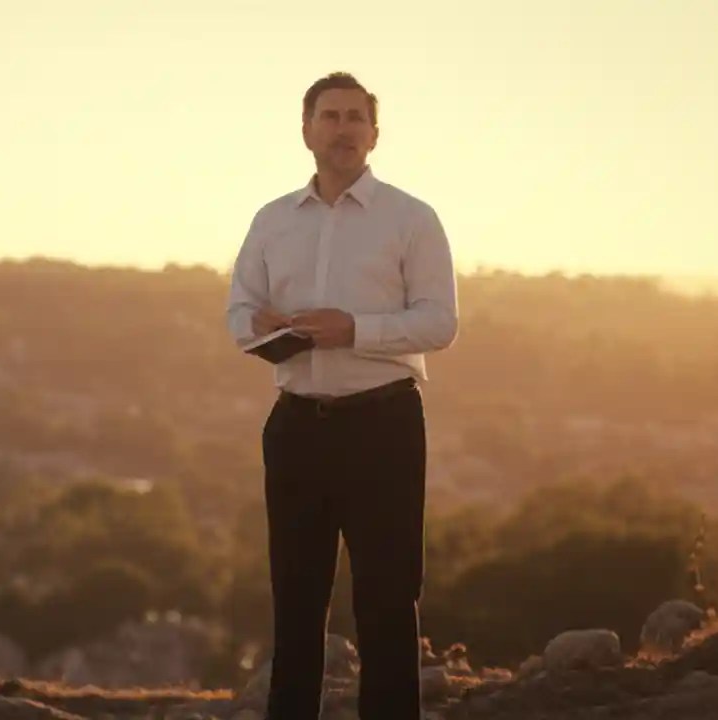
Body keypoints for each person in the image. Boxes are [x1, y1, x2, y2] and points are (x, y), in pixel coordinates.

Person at [225, 71, 459, 720]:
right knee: (295, 603)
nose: (343, 128)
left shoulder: (412, 219)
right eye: (330, 116)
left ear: (375, 134)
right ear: (306, 131)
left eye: (356, 117)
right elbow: (238, 312)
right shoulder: (272, 222)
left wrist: (355, 329)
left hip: (382, 425)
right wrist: (263, 328)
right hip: (295, 427)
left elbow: (441, 323)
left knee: (386, 603)